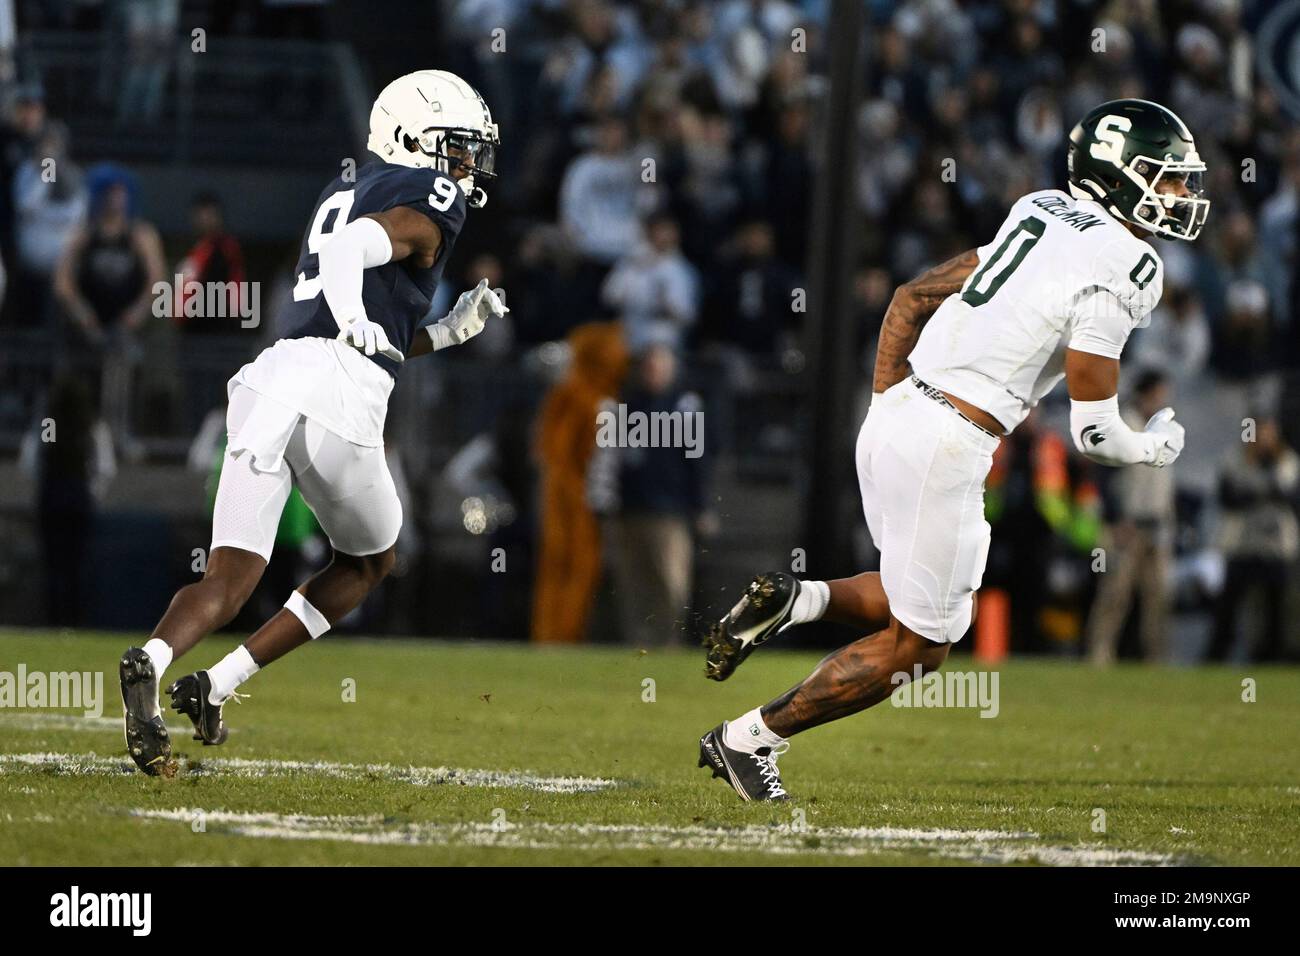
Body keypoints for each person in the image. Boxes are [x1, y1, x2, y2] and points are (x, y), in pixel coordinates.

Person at [697, 99, 1206, 801]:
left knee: (917, 601)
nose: (1181, 196)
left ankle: (798, 599)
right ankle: (747, 739)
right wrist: (1152, 449)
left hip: (899, 413)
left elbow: (910, 296)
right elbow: (1093, 430)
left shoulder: (1042, 207)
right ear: (1117, 175)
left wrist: (886, 400)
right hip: (950, 439)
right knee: (919, 651)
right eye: (1168, 178)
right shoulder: (1133, 264)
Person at [116, 70, 508, 775]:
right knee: (369, 562)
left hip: (270, 378)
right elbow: (351, 256)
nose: (467, 166)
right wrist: (359, 323)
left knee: (229, 575)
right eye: (457, 147)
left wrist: (445, 332)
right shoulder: (431, 196)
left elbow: (363, 310)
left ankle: (159, 661)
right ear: (415, 139)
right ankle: (224, 681)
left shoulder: (346, 185)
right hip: (338, 387)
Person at [1083, 369, 1178, 664]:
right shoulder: (1122, 427)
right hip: (1128, 525)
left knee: (1158, 596)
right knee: (1115, 594)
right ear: (1145, 394)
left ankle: (1156, 657)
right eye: (1158, 394)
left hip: (1158, 525)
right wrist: (1113, 518)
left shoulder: (1163, 429)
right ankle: (1099, 652)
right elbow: (1101, 474)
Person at [1208, 416, 1299, 662]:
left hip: (1277, 544)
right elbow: (1229, 497)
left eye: (1269, 432)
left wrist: (1261, 489)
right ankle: (1217, 654)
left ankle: (1273, 656)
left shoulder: (1286, 460)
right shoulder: (1236, 459)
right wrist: (1265, 491)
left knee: (1277, 606)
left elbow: (1291, 497)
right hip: (1243, 543)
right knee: (1230, 603)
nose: (1264, 438)